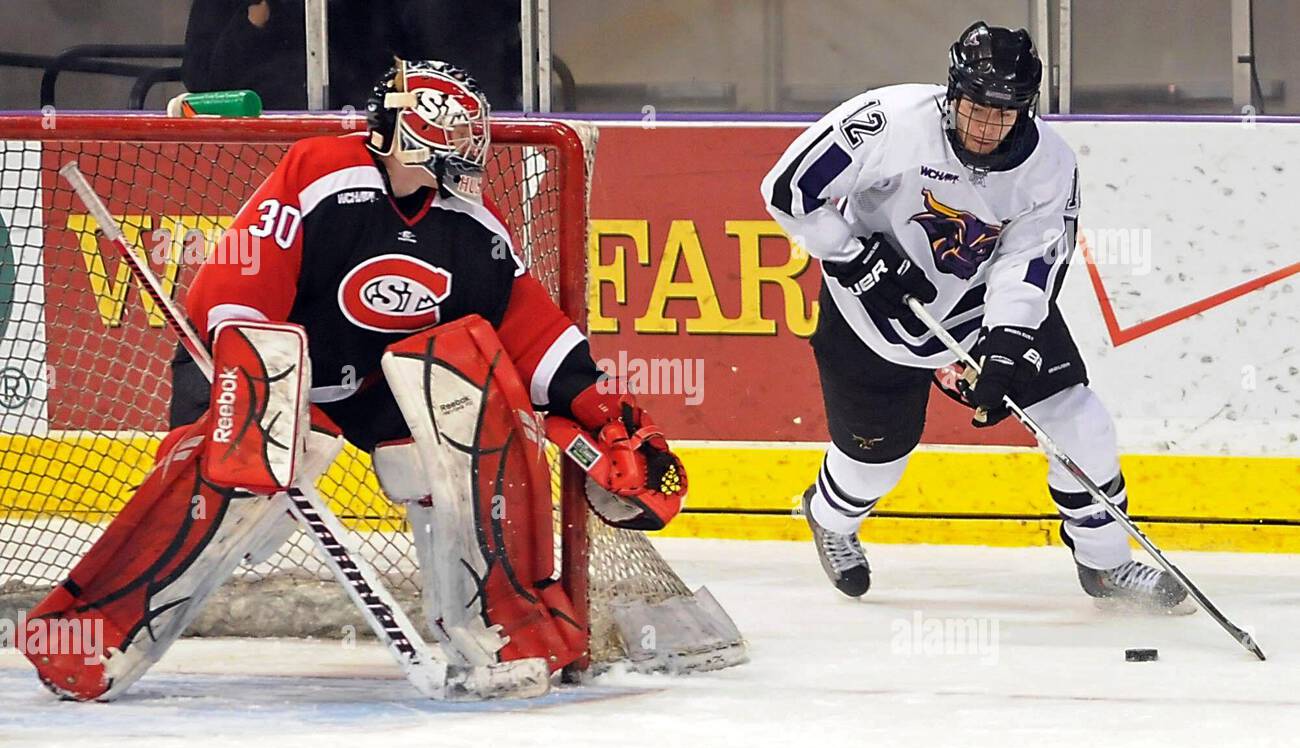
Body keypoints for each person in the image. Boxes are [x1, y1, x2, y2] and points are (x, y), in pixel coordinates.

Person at [25, 60, 685, 701]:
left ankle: (500, 628)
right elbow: (232, 293)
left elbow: (528, 331)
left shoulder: (470, 222)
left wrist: (601, 410)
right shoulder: (322, 175)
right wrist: (251, 398)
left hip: (374, 389)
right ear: (405, 130)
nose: (465, 145)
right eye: (449, 129)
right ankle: (90, 634)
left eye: (467, 130)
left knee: (464, 402)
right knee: (246, 467)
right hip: (252, 365)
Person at [761, 21, 1187, 611]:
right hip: (871, 318)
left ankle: (1106, 564)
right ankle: (829, 515)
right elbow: (787, 188)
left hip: (972, 307)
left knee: (1078, 419)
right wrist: (854, 256)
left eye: (1004, 113)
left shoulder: (1049, 166)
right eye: (975, 108)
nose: (986, 127)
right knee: (872, 468)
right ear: (952, 91)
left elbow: (1032, 260)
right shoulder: (889, 121)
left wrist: (1007, 340)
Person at [182, 1, 522, 110]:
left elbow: (394, 56)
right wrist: (256, 20)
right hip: (263, 139)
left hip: (361, 134)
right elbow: (201, 78)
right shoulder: (232, 10)